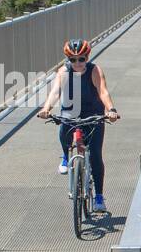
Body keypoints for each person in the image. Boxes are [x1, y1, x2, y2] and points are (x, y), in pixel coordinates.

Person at [37, 38, 119, 213]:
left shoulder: (94, 70)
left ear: (87, 57)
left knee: (96, 155)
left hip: (93, 114)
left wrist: (111, 109)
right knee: (63, 129)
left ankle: (98, 197)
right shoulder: (63, 72)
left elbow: (103, 91)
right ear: (68, 59)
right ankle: (66, 156)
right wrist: (46, 108)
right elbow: (55, 92)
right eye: (72, 59)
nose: (78, 63)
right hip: (71, 112)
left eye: (82, 59)